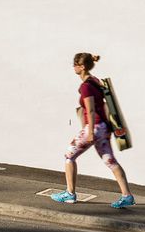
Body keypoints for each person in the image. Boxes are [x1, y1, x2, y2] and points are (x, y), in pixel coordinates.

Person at [51, 53, 135, 209]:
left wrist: (89, 133)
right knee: (110, 160)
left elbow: (90, 110)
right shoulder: (95, 81)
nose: (73, 67)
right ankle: (127, 196)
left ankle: (70, 194)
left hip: (94, 127)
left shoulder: (86, 86)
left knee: (69, 156)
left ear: (81, 67)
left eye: (75, 64)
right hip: (104, 127)